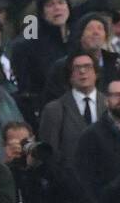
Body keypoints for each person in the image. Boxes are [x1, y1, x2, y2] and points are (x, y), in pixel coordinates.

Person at [37, 51, 101, 185]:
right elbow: (49, 155)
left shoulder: (109, 105)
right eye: (77, 68)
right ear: (70, 76)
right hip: (70, 187)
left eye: (87, 67)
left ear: (96, 73)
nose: (83, 71)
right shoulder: (54, 110)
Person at [10, 0, 71, 126]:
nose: (57, 8)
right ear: (42, 12)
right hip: (45, 115)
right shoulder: (28, 45)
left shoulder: (76, 40)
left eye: (61, 2)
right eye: (50, 5)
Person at [42, 11, 120, 106]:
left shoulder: (115, 64)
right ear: (80, 35)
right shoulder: (64, 66)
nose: (96, 32)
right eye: (90, 29)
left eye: (100, 28)